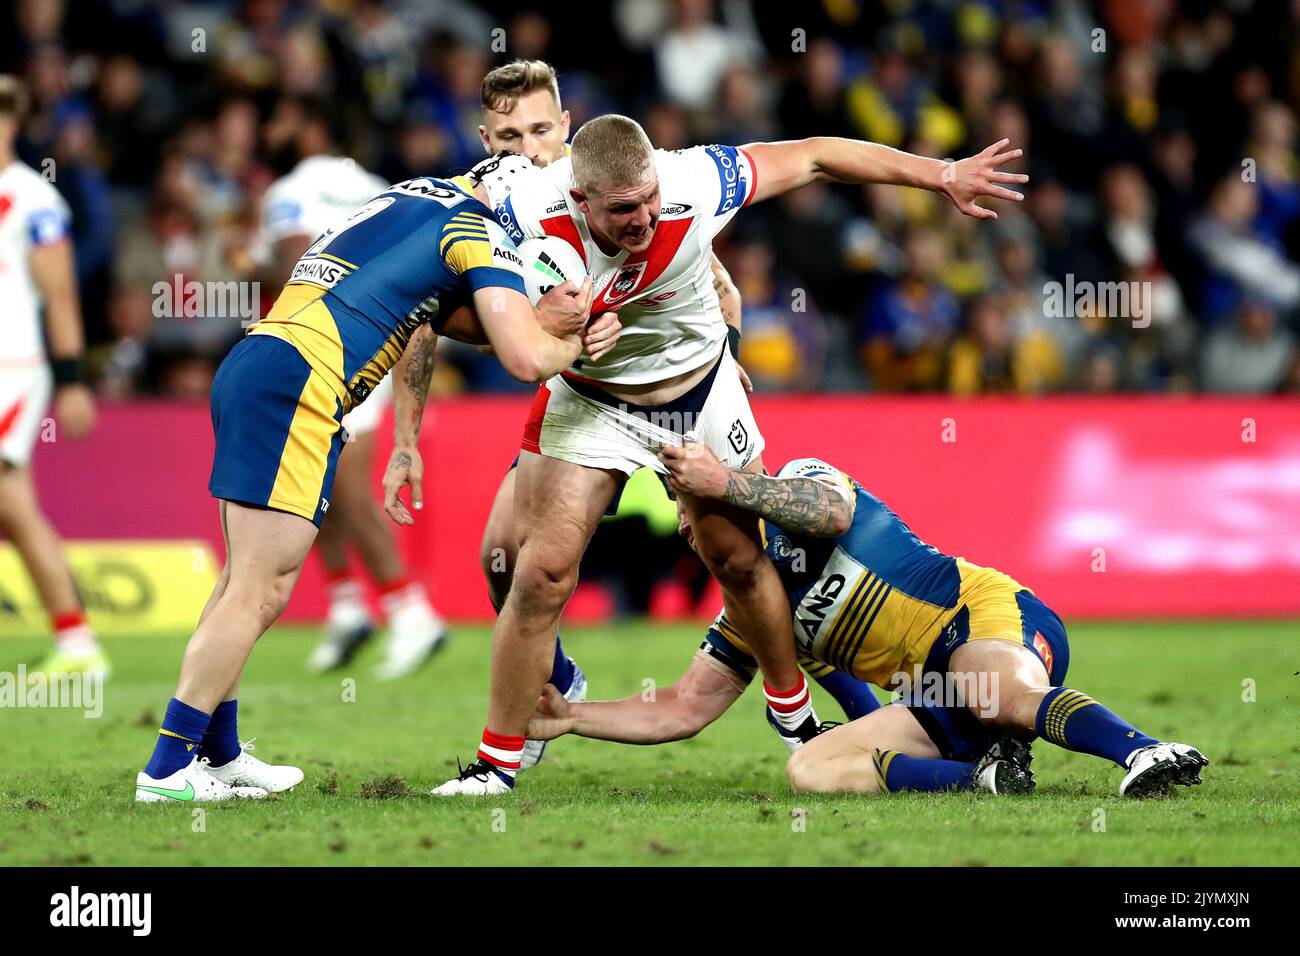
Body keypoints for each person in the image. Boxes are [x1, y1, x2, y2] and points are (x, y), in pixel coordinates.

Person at [388, 104, 1030, 795]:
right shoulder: (520, 212)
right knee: (537, 574)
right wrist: (549, 332)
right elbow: (431, 308)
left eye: (649, 203)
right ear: (579, 200)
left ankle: (794, 717)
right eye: (622, 211)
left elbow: (815, 152)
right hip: (593, 399)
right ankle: (495, 766)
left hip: (700, 389)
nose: (643, 221)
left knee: (737, 559)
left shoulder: (697, 179)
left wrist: (941, 175)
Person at [134, 164, 608, 802]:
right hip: (300, 380)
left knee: (238, 581)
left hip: (262, 359)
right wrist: (573, 341)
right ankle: (166, 770)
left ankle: (218, 754)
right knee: (260, 590)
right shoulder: (474, 229)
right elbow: (524, 358)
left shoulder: (408, 195)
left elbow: (431, 314)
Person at [532, 446, 1207, 799]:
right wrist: (571, 717)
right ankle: (985, 779)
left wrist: (725, 485)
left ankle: (1144, 750)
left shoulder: (801, 482)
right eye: (680, 514)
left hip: (984, 619)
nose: (684, 525)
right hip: (930, 695)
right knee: (813, 768)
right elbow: (681, 709)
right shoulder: (748, 610)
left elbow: (831, 515)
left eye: (688, 505)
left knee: (989, 689)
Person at [469, 59, 748, 770]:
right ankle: (554, 683)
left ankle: (822, 709)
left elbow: (720, 284)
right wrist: (555, 331)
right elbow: (445, 314)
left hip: (680, 389)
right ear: (486, 136)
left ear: (565, 127)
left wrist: (732, 353)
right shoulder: (498, 201)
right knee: (507, 563)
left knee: (751, 559)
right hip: (579, 393)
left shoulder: (639, 187)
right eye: (507, 137)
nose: (525, 149)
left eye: (538, 129)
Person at [255, 97, 448, 679]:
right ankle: (345, 608)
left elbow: (297, 265)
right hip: (379, 339)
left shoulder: (289, 189)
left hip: (323, 347)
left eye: (284, 116)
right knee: (322, 479)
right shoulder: (383, 189)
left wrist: (247, 261)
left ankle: (411, 611)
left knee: (342, 482)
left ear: (312, 123)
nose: (275, 125)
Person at [0, 75, 107, 677]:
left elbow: (60, 294)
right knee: (10, 502)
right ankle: (75, 642)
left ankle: (77, 642)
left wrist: (71, 380)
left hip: (13, 368)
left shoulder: (33, 199)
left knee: (8, 498)